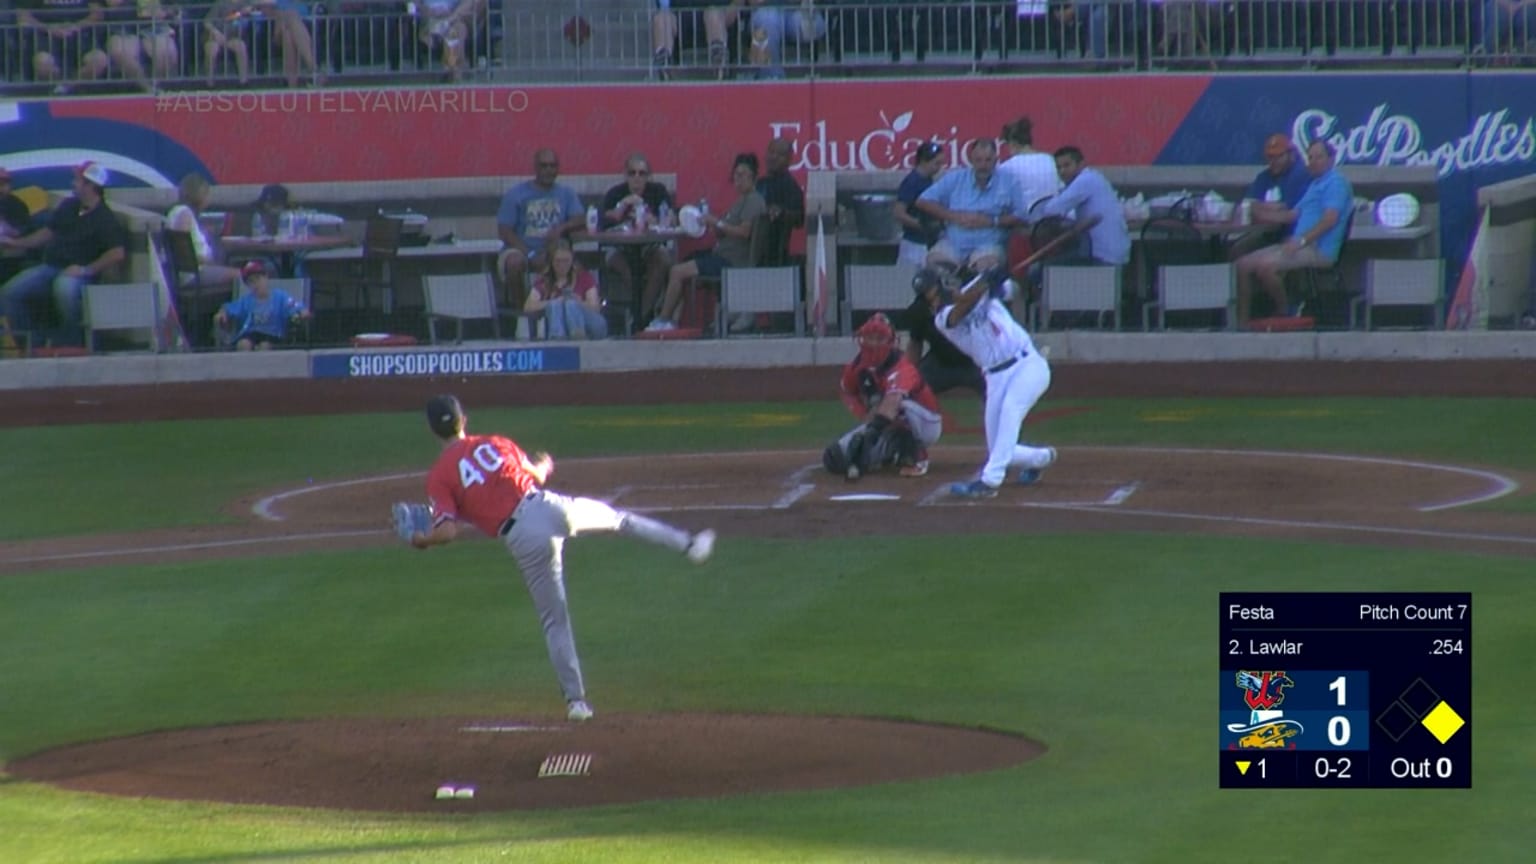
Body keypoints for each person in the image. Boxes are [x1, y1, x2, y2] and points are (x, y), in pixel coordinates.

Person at [404, 394, 718, 722]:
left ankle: (576, 703)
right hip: (551, 508)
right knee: (620, 520)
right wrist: (544, 465)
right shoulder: (496, 443)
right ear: (463, 419)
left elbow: (448, 532)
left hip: (523, 539)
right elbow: (534, 474)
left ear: (432, 431)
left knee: (555, 620)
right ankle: (689, 546)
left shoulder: (439, 475)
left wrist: (421, 539)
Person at [916, 267, 1057, 499]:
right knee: (999, 449)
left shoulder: (975, 289)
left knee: (1012, 409)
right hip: (994, 378)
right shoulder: (943, 319)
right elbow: (963, 309)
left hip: (1027, 364)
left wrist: (999, 278)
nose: (930, 302)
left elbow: (1017, 288)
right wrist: (985, 285)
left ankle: (990, 483)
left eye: (929, 294)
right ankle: (1041, 458)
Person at [0, 162, 127, 347]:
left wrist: (86, 270)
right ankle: (33, 346)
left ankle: (74, 344)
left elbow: (117, 253)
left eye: (77, 180)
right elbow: (47, 233)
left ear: (90, 185)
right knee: (10, 292)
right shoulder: (69, 206)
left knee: (64, 288)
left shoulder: (105, 218)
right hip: (51, 267)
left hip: (78, 274)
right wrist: (16, 243)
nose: (73, 183)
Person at [1234, 140, 1354, 325]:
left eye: (1319, 157)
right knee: (1242, 265)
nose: (1313, 162)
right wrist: (1255, 211)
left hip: (1318, 249)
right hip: (1298, 244)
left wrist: (1301, 241)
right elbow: (1291, 216)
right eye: (1310, 157)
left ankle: (1285, 312)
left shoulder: (1336, 183)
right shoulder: (1315, 184)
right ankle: (1240, 324)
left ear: (1331, 160)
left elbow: (1330, 219)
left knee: (1267, 267)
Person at [646, 153, 768, 331]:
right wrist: (712, 227)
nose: (738, 179)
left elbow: (744, 232)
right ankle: (671, 318)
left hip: (732, 262)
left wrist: (716, 222)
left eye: (743, 175)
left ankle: (664, 320)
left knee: (678, 271)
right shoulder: (739, 201)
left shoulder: (754, 201)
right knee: (677, 264)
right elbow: (726, 231)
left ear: (753, 177)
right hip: (720, 253)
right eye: (736, 174)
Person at [823, 312, 944, 480]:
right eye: (869, 338)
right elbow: (848, 392)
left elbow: (892, 401)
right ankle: (894, 450)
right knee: (835, 457)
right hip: (887, 422)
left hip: (925, 422)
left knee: (899, 404)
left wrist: (870, 433)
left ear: (891, 342)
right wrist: (865, 419)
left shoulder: (902, 367)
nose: (873, 343)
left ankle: (918, 456)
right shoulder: (856, 368)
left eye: (879, 338)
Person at [915, 138, 1027, 275]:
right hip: (953, 243)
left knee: (985, 269)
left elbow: (1022, 216)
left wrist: (991, 221)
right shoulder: (955, 178)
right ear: (971, 160)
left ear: (996, 159)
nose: (983, 165)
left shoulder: (1010, 181)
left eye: (988, 160)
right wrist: (954, 216)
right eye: (978, 160)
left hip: (988, 245)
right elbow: (922, 201)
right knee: (935, 264)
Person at [497, 148, 586, 311]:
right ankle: (524, 312)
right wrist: (530, 254)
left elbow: (580, 218)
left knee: (578, 269)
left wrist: (562, 227)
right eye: (544, 166)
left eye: (552, 166)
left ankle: (572, 314)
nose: (548, 170)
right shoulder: (516, 194)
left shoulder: (566, 193)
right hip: (521, 249)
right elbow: (504, 231)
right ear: (535, 168)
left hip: (554, 251)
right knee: (514, 264)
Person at [600, 153, 674, 326]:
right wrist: (622, 207)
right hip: (620, 247)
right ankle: (642, 315)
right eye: (632, 173)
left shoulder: (658, 191)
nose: (637, 178)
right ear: (625, 175)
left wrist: (649, 216)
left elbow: (670, 220)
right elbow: (602, 222)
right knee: (621, 264)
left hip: (650, 245)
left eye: (642, 173)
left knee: (663, 259)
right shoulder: (615, 193)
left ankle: (639, 317)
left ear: (648, 176)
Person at [1032, 145, 1132, 272]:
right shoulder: (1094, 178)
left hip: (1103, 255)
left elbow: (1051, 210)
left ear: (1080, 165)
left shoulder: (1086, 180)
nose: (1062, 171)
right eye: (1058, 168)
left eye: (1067, 165)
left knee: (1038, 270)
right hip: (1108, 253)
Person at [1228, 133, 1313, 261]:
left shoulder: (1301, 175)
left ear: (1291, 155)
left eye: (1279, 157)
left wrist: (1262, 210)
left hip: (1296, 235)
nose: (1274, 161)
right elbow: (1248, 205)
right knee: (1238, 250)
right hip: (1269, 235)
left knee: (1263, 261)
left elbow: (1290, 214)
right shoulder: (1264, 177)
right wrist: (1274, 207)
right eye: (1270, 157)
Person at [903, 267, 985, 396]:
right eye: (922, 292)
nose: (926, 294)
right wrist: (907, 372)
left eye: (928, 289)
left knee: (994, 389)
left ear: (937, 285)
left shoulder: (957, 299)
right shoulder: (918, 310)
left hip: (971, 361)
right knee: (912, 388)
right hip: (940, 362)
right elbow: (915, 342)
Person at [214, 260, 309, 350]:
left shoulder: (280, 297)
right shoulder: (246, 300)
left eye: (258, 279)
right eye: (251, 282)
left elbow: (295, 306)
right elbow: (228, 307)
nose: (255, 284)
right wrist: (223, 313)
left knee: (265, 346)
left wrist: (302, 311)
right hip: (251, 333)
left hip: (273, 334)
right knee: (243, 344)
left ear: (266, 277)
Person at [525, 239, 607, 340]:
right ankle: (558, 338)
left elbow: (595, 307)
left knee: (570, 304)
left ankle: (578, 337)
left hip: (592, 326)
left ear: (572, 260)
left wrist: (577, 302)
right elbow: (528, 306)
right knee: (555, 305)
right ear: (551, 262)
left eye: (566, 261)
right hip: (563, 327)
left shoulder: (584, 277)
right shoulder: (544, 281)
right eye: (558, 261)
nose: (562, 265)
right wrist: (556, 301)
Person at [893, 141, 945, 267]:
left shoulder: (928, 180)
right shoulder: (912, 182)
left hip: (926, 243)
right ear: (924, 161)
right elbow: (899, 213)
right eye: (936, 163)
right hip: (913, 244)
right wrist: (921, 225)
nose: (939, 168)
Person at [998, 116, 1062, 217]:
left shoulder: (1005, 168)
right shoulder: (1051, 160)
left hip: (1026, 224)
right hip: (1056, 220)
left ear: (1013, 144)